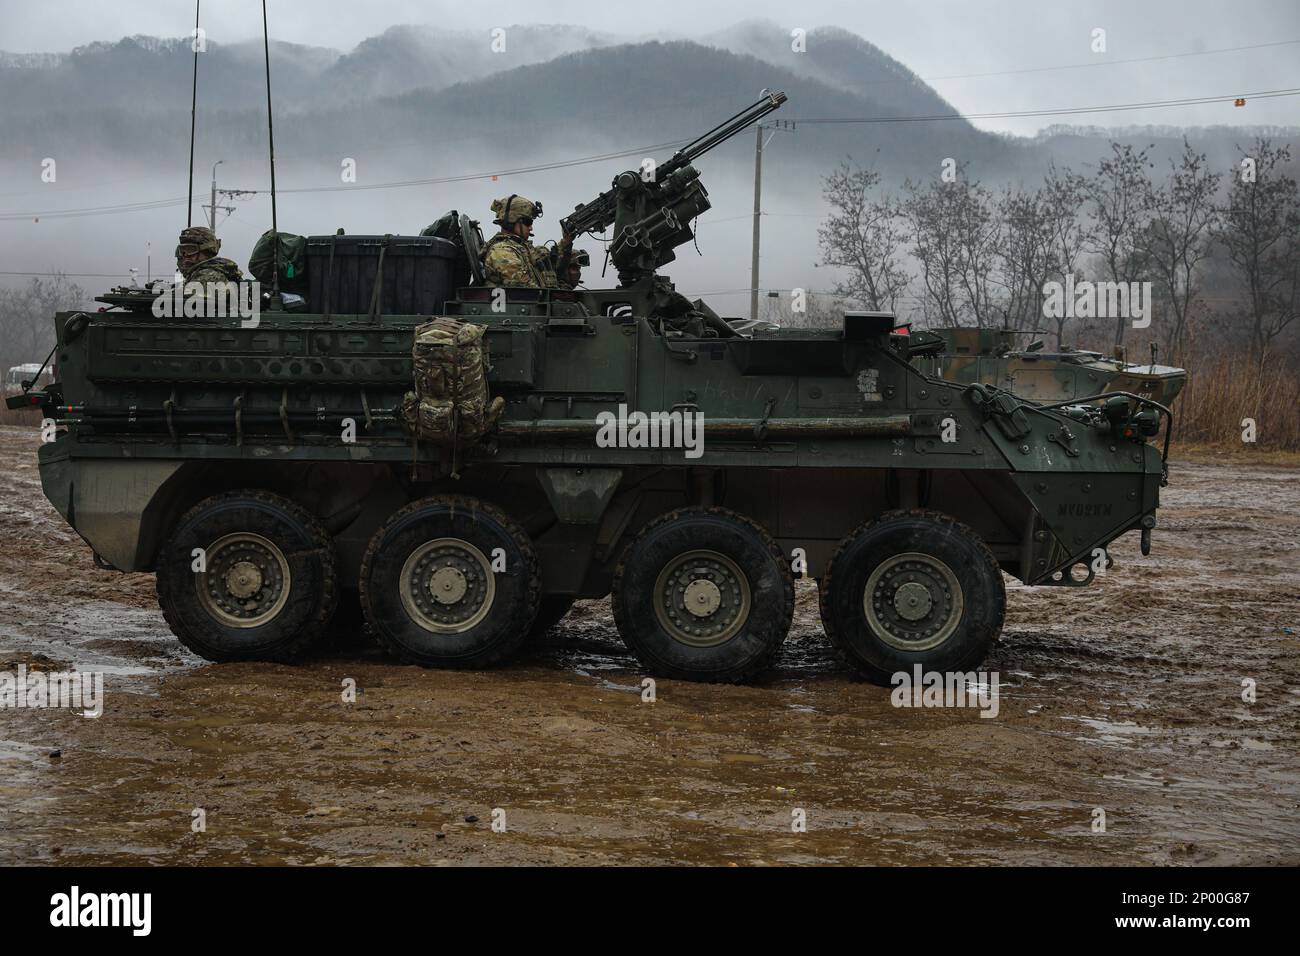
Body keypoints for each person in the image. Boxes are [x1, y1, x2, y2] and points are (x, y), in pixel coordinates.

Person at [481, 195, 572, 288]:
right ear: (511, 220)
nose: (531, 228)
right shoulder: (502, 252)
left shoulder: (521, 248)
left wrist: (566, 242)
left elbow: (548, 267)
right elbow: (527, 290)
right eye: (527, 222)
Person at [175, 225, 244, 284]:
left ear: (206, 251)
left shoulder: (209, 276)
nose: (185, 255)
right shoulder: (199, 273)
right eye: (182, 250)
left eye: (191, 249)